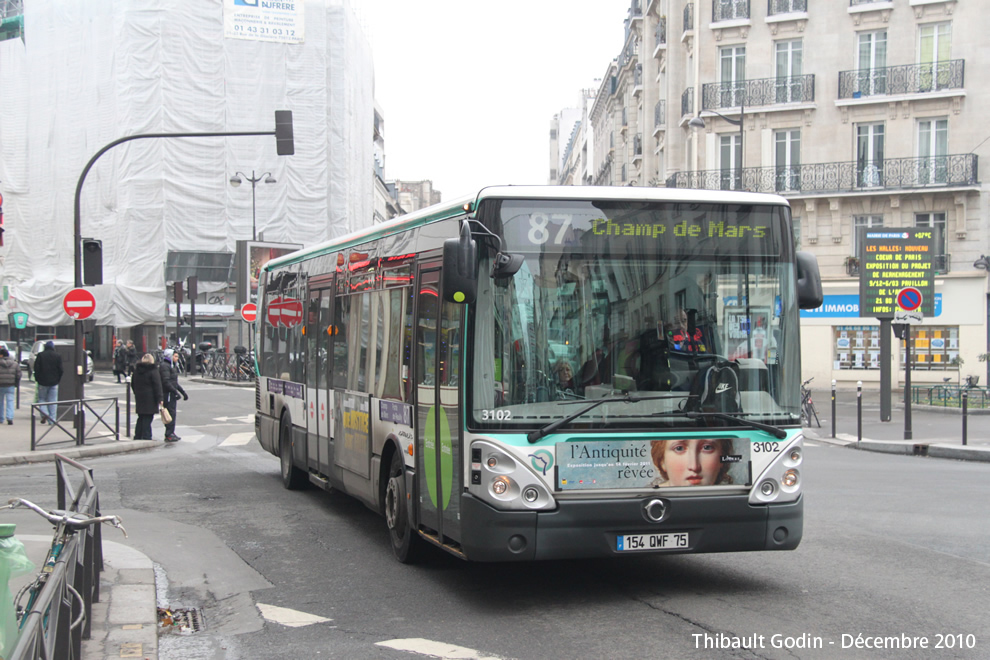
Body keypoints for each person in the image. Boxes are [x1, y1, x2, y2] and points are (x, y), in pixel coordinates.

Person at [649, 438, 734, 487]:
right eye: (679, 448)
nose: (694, 466)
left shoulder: (737, 500)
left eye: (707, 447)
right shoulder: (642, 498)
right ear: (662, 460)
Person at [130, 353, 163, 440]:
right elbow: (157, 385)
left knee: (141, 417)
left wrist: (136, 392)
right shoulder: (153, 370)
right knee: (148, 417)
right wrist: (160, 398)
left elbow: (133, 383)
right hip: (150, 397)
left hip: (140, 396)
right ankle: (146, 436)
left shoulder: (137, 370)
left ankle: (138, 435)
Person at [158, 349, 188, 442]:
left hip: (171, 392)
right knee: (170, 413)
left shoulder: (171, 366)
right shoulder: (165, 366)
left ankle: (171, 432)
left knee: (172, 413)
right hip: (167, 393)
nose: (177, 358)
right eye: (175, 356)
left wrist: (182, 392)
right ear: (170, 356)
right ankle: (169, 434)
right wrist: (175, 392)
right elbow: (166, 381)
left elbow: (174, 382)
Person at [33, 340, 63, 425]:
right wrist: (58, 379)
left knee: (42, 399)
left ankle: (45, 413)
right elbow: (61, 370)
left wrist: (37, 379)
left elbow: (36, 369)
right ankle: (52, 420)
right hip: (54, 382)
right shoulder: (57, 356)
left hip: (42, 381)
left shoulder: (40, 355)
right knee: (53, 401)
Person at [0, 347, 21, 425]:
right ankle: (10, 417)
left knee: (0, 402)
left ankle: (1, 418)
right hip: (10, 385)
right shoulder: (15, 364)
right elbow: (18, 374)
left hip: (0, 385)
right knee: (10, 401)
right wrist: (16, 383)